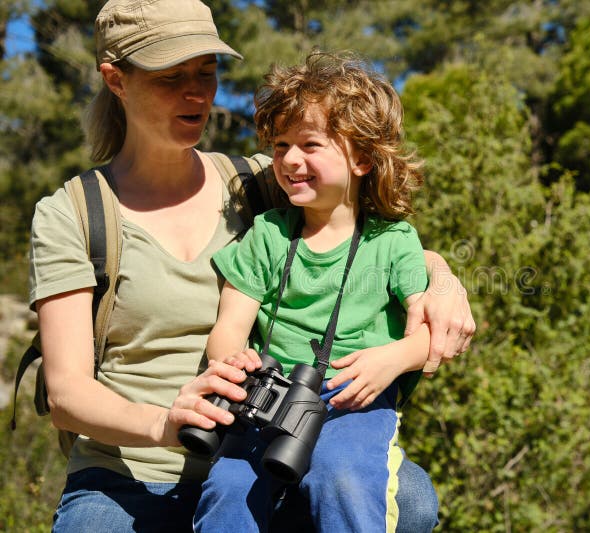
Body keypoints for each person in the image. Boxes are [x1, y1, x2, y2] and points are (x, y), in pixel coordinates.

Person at [28, 1, 474, 532]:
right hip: (133, 472)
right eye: (172, 77)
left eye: (207, 72)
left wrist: (442, 278)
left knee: (410, 503)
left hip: (275, 451)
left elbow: (365, 234)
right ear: (116, 80)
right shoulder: (74, 213)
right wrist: (165, 424)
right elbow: (66, 395)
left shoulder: (262, 181)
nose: (196, 92)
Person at [193, 51, 437, 533]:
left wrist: (392, 359)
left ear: (363, 158)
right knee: (227, 490)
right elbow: (229, 329)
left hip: (354, 404)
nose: (289, 160)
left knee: (343, 478)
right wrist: (235, 362)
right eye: (280, 145)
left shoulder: (393, 241)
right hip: (269, 403)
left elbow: (432, 337)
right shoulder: (267, 234)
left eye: (310, 144)